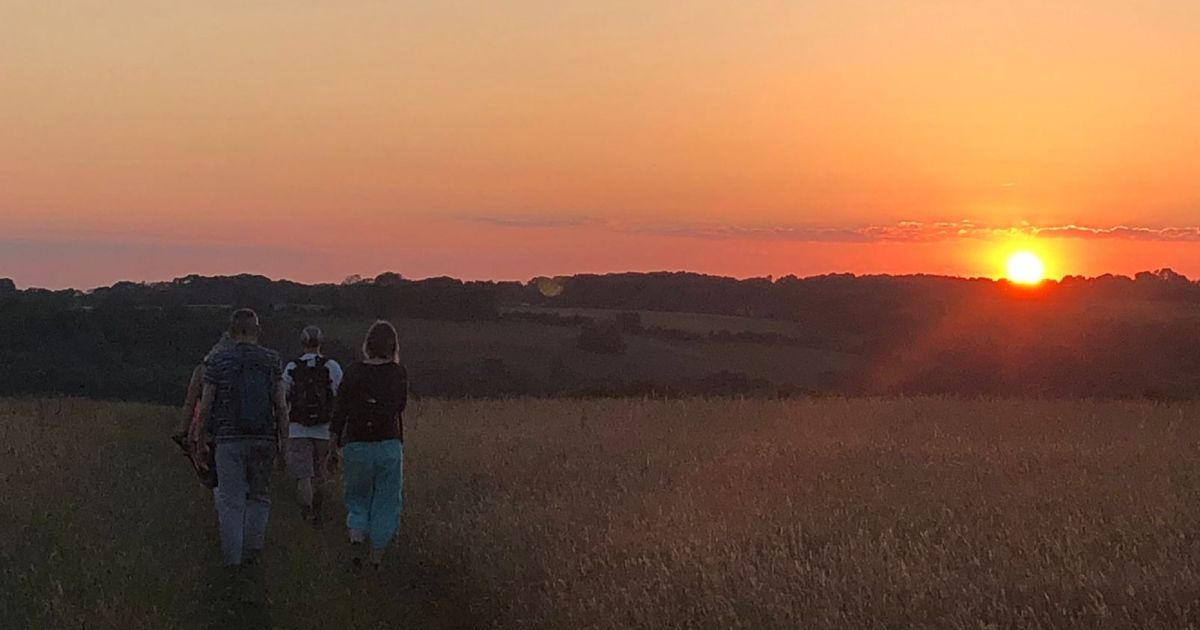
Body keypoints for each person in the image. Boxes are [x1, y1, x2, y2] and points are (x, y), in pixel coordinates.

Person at [195, 309, 288, 567]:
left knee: (230, 502)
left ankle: (232, 563)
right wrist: (284, 444)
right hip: (264, 439)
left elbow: (206, 406)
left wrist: (201, 441)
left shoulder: (218, 359)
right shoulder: (272, 360)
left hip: (228, 440)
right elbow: (280, 406)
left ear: (232, 330)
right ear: (257, 330)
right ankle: (252, 555)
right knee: (259, 497)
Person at [328, 320, 408, 571]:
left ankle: (356, 538)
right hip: (388, 444)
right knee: (386, 500)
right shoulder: (398, 373)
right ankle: (376, 558)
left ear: (368, 345)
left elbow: (339, 412)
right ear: (393, 345)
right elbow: (399, 407)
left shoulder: (352, 371)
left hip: (356, 444)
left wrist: (333, 448)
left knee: (357, 497)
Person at [282, 325, 343, 526]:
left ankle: (306, 514)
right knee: (320, 472)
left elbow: (283, 396)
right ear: (320, 343)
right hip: (324, 429)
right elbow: (340, 396)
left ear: (303, 343)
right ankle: (318, 512)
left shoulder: (292, 367)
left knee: (303, 475)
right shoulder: (331, 366)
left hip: (298, 427)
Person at [174, 333, 233, 491]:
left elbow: (190, 403)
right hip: (237, 430)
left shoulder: (202, 369)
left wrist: (183, 432)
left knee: (210, 477)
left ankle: (215, 509)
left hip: (206, 431)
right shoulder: (244, 369)